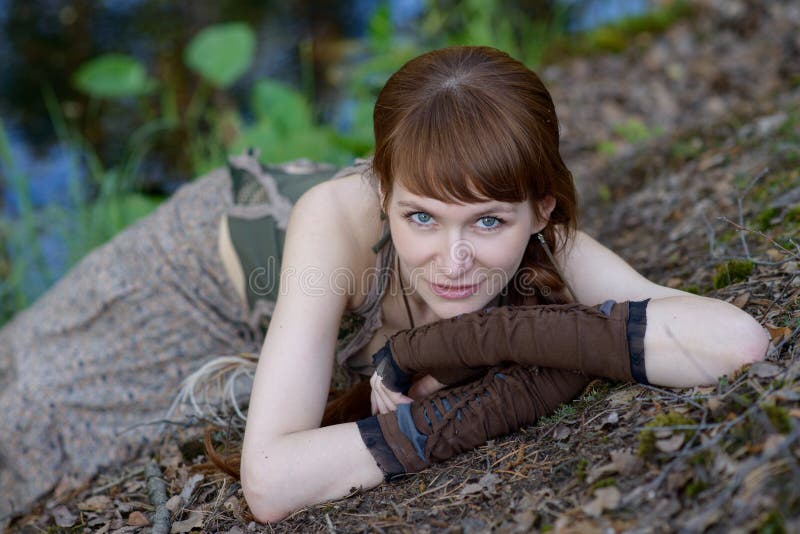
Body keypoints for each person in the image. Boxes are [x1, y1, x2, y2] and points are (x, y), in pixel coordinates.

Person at [0, 46, 768, 524]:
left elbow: (733, 341)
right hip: (182, 285)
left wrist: (459, 351)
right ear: (383, 192)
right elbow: (270, 482)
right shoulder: (334, 223)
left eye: (488, 222)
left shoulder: (553, 242)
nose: (454, 260)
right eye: (421, 217)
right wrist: (552, 354)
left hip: (264, 323)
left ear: (541, 209)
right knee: (21, 415)